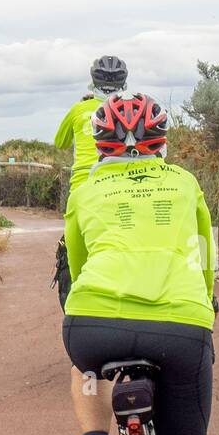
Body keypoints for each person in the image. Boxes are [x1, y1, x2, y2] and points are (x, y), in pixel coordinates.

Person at [60, 91, 219, 435]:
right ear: (161, 144)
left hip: (94, 322)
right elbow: (204, 256)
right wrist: (205, 308)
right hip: (179, 325)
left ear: (99, 141)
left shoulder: (86, 189)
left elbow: (79, 262)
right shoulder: (183, 182)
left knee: (84, 367)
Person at [51, 55, 128, 308]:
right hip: (118, 183)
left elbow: (60, 142)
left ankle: (77, 300)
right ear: (123, 82)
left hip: (82, 187)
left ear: (92, 80)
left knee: (74, 246)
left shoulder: (79, 109)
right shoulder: (128, 109)